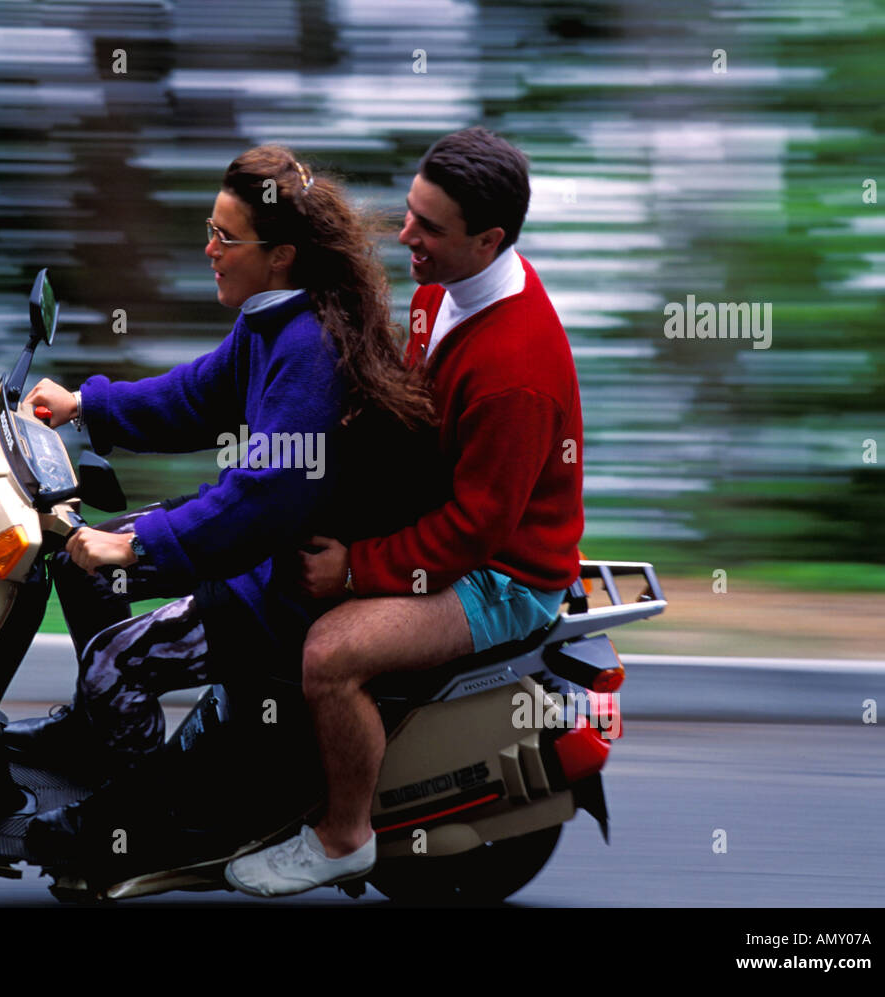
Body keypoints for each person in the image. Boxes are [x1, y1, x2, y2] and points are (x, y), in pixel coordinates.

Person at [9, 145, 435, 860]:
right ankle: (97, 734)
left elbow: (260, 500)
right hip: (262, 547)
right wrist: (85, 403)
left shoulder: (309, 352)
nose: (208, 249)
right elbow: (196, 395)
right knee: (83, 568)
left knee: (119, 659)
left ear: (280, 255)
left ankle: (141, 825)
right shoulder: (273, 319)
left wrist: (138, 545)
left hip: (286, 584)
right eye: (209, 229)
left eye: (224, 238)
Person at [224, 127, 585, 897]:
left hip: (501, 574)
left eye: (429, 226)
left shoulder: (514, 370)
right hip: (451, 530)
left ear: (488, 239)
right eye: (410, 210)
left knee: (330, 653)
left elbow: (475, 529)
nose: (405, 234)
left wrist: (358, 568)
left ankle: (342, 836)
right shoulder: (441, 292)